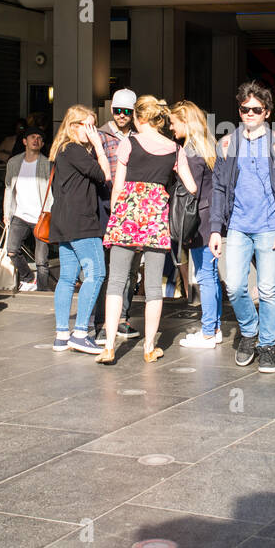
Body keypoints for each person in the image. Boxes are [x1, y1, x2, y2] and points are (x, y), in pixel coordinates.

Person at [208, 81, 275, 374]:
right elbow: (219, 188)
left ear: (267, 112)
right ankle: (249, 331)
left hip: (270, 227)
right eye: (244, 109)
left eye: (255, 109)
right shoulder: (227, 143)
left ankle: (267, 345)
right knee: (235, 287)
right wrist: (215, 228)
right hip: (237, 226)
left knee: (268, 290)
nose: (249, 113)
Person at [99, 96, 196, 364]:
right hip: (155, 217)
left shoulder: (128, 143)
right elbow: (192, 187)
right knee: (154, 285)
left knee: (116, 281)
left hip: (127, 214)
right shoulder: (175, 149)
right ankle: (149, 347)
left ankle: (108, 346)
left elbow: (117, 187)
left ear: (139, 118)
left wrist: (117, 218)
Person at [48, 105, 111, 355]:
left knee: (67, 277)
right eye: (89, 125)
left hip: (63, 223)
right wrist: (98, 146)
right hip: (82, 222)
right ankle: (81, 332)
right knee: (96, 273)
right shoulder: (75, 150)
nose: (93, 130)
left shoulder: (62, 150)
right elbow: (103, 174)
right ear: (74, 126)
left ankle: (62, 334)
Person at [169, 100, 221, 349]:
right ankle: (215, 327)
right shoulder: (207, 148)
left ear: (185, 121)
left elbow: (193, 191)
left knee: (205, 276)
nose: (171, 127)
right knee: (210, 275)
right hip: (211, 219)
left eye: (173, 122)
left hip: (200, 221)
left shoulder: (189, 152)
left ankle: (209, 332)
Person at [94, 88, 140, 344]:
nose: (122, 116)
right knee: (106, 269)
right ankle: (104, 321)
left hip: (132, 209)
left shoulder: (141, 136)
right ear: (112, 110)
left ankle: (121, 318)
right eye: (118, 111)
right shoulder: (100, 135)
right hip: (105, 206)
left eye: (127, 112)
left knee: (130, 269)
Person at [2, 125, 52, 292]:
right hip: (20, 215)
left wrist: (51, 213)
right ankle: (28, 278)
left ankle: (43, 291)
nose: (36, 140)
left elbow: (52, 191)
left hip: (42, 216)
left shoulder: (47, 163)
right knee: (12, 250)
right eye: (32, 137)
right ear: (24, 141)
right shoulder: (14, 162)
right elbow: (9, 188)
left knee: (41, 261)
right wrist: (7, 213)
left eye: (39, 138)